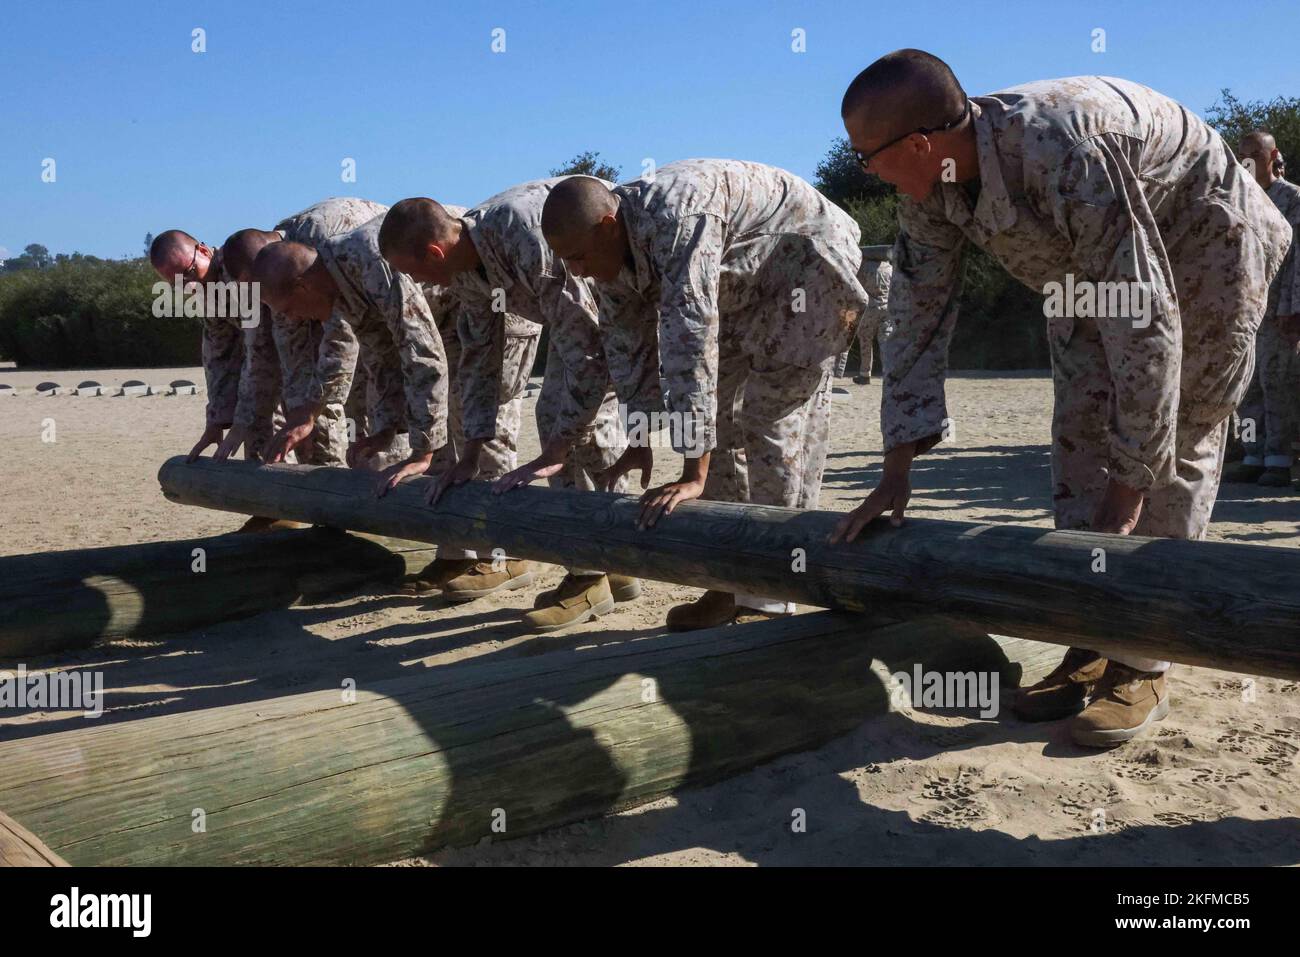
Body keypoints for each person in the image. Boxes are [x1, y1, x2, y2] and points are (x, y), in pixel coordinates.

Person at [836, 49, 1292, 746]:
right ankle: (1091, 632)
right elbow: (917, 315)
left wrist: (1134, 476)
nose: (866, 171)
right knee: (1080, 427)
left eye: (867, 157)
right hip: (1089, 268)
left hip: (1206, 243)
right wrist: (896, 467)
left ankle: (1142, 658)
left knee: (1180, 434)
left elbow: (1147, 315)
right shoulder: (930, 186)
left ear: (921, 144)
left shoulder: (1064, 146)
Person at [541, 161, 869, 630]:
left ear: (609, 226)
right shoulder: (607, 256)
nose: (577, 271)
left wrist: (693, 471)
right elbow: (626, 345)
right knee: (719, 420)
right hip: (743, 282)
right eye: (566, 262)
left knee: (769, 422)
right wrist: (639, 439)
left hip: (809, 267)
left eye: (578, 256)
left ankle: (771, 597)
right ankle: (731, 580)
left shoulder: (678, 219)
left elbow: (688, 337)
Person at [379, 184, 642, 627]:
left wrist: (559, 445)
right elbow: (481, 356)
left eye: (417, 274)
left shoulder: (521, 237)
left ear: (435, 254)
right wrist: (473, 448)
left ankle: (592, 573)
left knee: (565, 421)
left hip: (615, 312)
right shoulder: (466, 269)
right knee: (563, 419)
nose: (421, 286)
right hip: (575, 323)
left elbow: (588, 344)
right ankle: (610, 563)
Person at [1224, 132, 1300, 488]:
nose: (1248, 161)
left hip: (1279, 308)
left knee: (1278, 383)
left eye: (1256, 153)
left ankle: (1279, 458)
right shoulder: (1239, 199)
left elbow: (1297, 259)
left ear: (1273, 155)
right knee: (1247, 387)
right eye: (1243, 156)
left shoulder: (1291, 198)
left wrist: (1293, 307)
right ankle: (1253, 454)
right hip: (1244, 310)